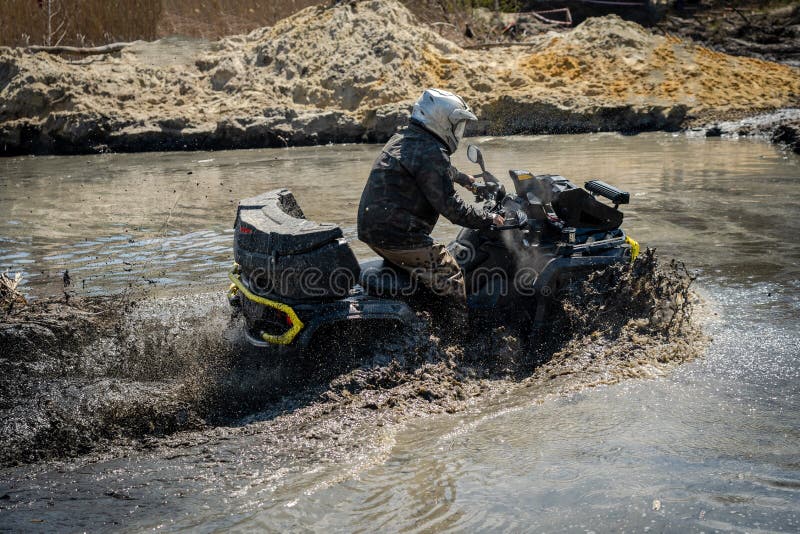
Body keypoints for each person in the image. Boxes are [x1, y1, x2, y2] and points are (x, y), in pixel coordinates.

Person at [357, 88, 504, 309]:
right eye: (457, 125)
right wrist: (489, 218)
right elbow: (453, 208)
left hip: (374, 231)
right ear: (443, 122)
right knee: (451, 276)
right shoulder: (432, 152)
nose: (458, 131)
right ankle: (457, 339)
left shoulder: (404, 138)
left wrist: (462, 178)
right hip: (399, 237)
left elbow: (427, 167)